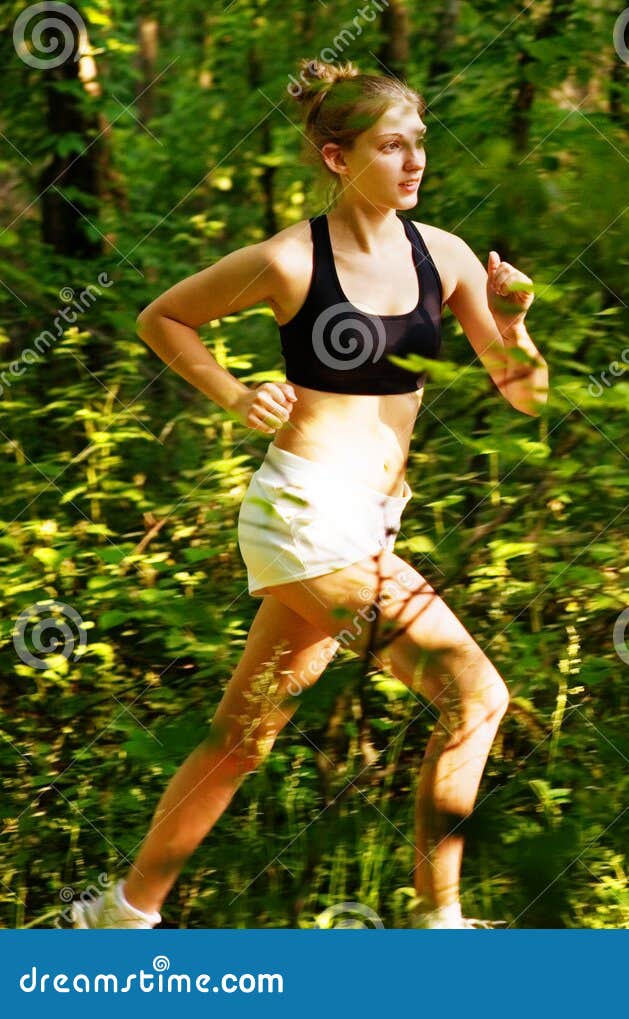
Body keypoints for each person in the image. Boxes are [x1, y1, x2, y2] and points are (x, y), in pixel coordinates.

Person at [69, 59, 548, 929]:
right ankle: (440, 929)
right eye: (389, 145)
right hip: (305, 514)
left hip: (367, 527)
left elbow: (527, 393)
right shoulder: (289, 260)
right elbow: (162, 317)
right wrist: (234, 392)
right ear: (337, 157)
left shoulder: (440, 255)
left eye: (419, 144)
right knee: (476, 695)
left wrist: (514, 328)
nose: (414, 162)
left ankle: (119, 916)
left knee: (241, 741)